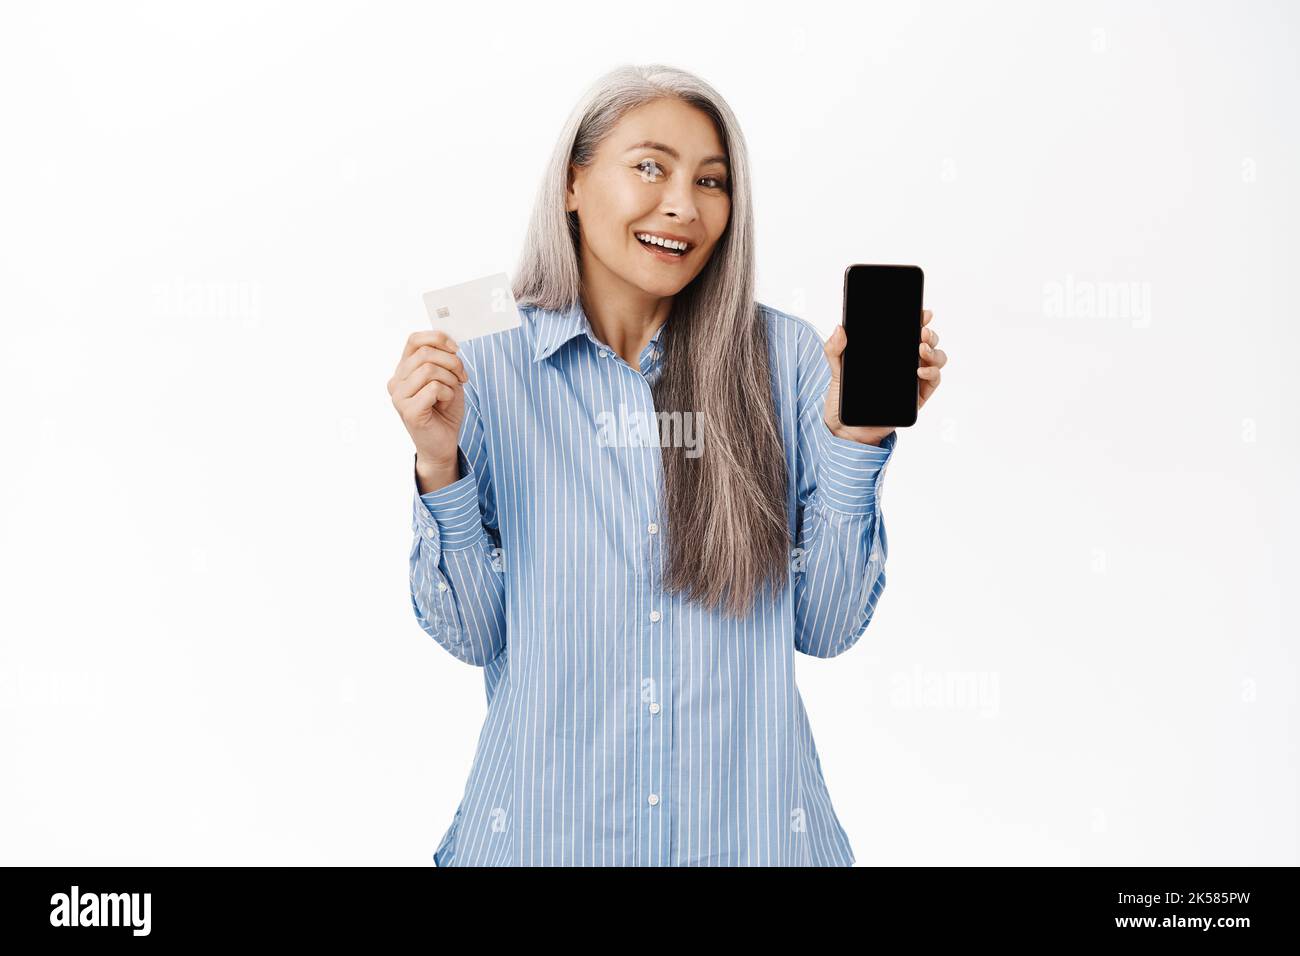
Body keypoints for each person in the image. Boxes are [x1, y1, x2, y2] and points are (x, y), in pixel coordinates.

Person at [386, 63, 947, 866]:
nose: (683, 204)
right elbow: (475, 634)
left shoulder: (784, 361)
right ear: (573, 182)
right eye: (650, 166)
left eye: (711, 181)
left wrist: (856, 439)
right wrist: (439, 464)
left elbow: (826, 626)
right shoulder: (485, 367)